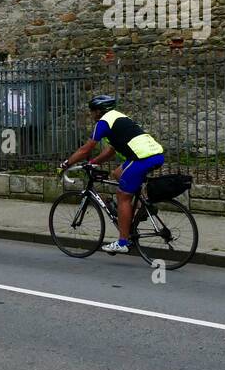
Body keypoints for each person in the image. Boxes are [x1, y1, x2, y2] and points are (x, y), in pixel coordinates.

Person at [61, 94, 165, 255]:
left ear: (98, 111)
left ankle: (123, 242)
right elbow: (111, 151)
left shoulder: (103, 123)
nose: (91, 114)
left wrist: (67, 163)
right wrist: (93, 162)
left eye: (92, 111)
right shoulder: (118, 118)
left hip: (141, 158)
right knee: (117, 174)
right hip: (154, 154)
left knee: (122, 195)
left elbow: (85, 149)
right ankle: (142, 206)